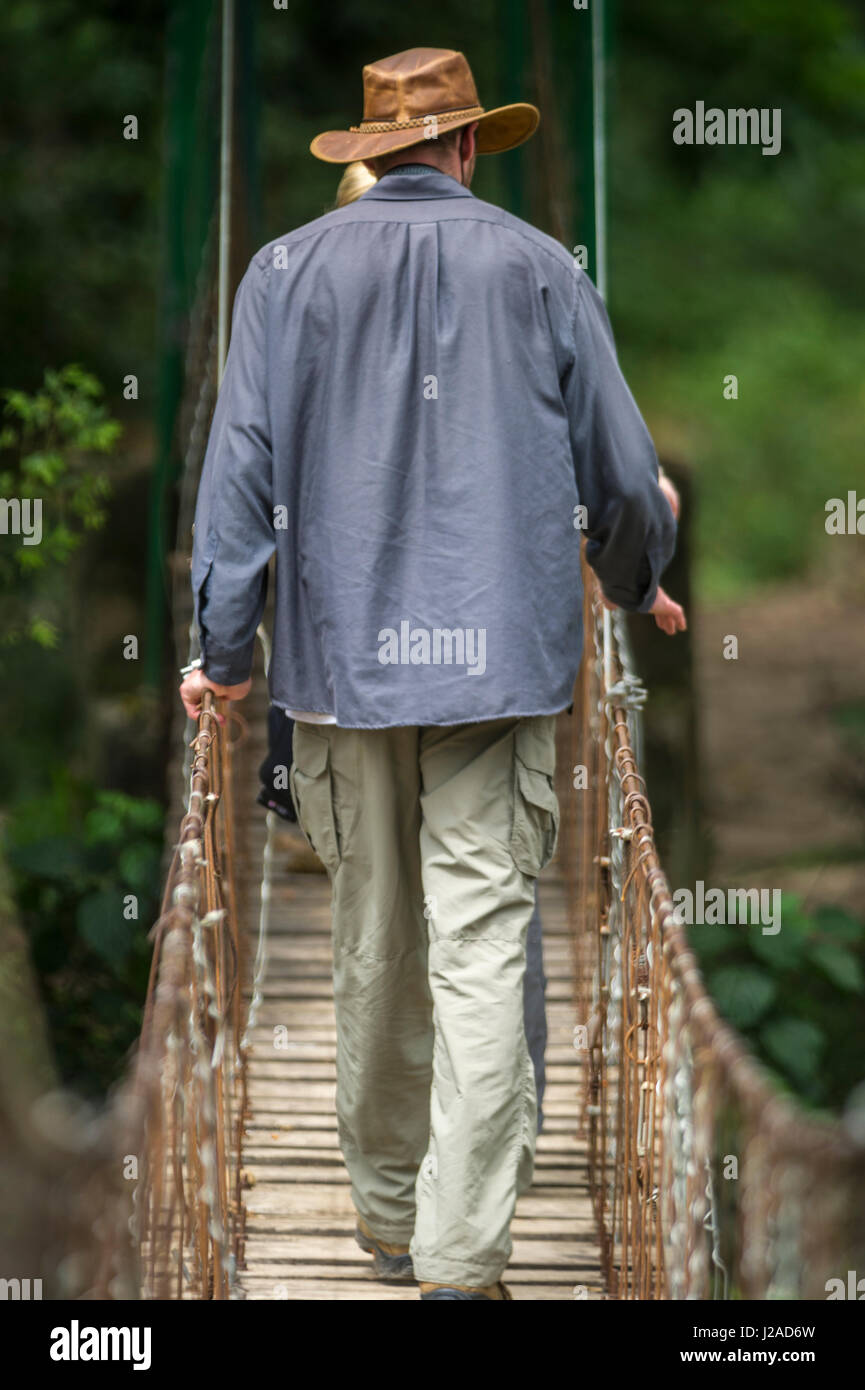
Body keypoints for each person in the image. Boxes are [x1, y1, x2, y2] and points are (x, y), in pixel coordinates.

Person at [181, 46, 685, 1300]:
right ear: (467, 148)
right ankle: (464, 1260)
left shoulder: (283, 272)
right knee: (483, 945)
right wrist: (636, 579)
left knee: (368, 946)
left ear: (366, 153)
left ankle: (391, 1219)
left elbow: (236, 475)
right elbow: (622, 474)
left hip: (340, 674)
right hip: (502, 670)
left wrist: (222, 649)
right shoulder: (539, 268)